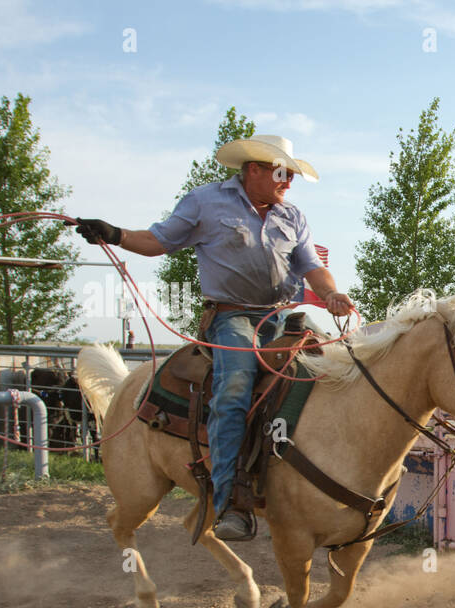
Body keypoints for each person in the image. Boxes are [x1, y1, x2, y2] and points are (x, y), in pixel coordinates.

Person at [71, 133, 354, 540]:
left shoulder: (292, 217)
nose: (288, 182)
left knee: (339, 367)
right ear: (254, 169)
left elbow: (310, 264)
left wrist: (329, 293)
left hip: (281, 316)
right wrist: (114, 234)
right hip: (232, 317)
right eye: (282, 172)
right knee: (235, 387)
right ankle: (231, 500)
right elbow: (158, 241)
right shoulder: (206, 201)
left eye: (292, 174)